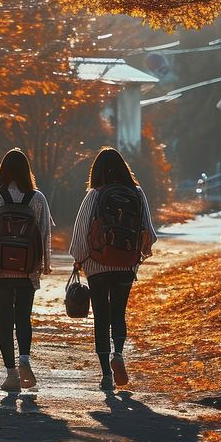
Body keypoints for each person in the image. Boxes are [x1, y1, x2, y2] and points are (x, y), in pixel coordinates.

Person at [69, 147, 158, 391]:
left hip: (97, 265)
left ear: (96, 171)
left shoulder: (94, 195)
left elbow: (81, 231)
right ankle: (118, 354)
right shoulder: (137, 193)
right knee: (118, 313)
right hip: (126, 264)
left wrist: (79, 260)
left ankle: (106, 375)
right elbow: (149, 233)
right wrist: (138, 255)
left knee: (101, 317)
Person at [0, 148, 53, 392]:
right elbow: (44, 233)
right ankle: (25, 359)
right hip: (27, 270)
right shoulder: (37, 198)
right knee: (23, 318)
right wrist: (44, 265)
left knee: (6, 322)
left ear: (3, 170)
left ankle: (11, 375)